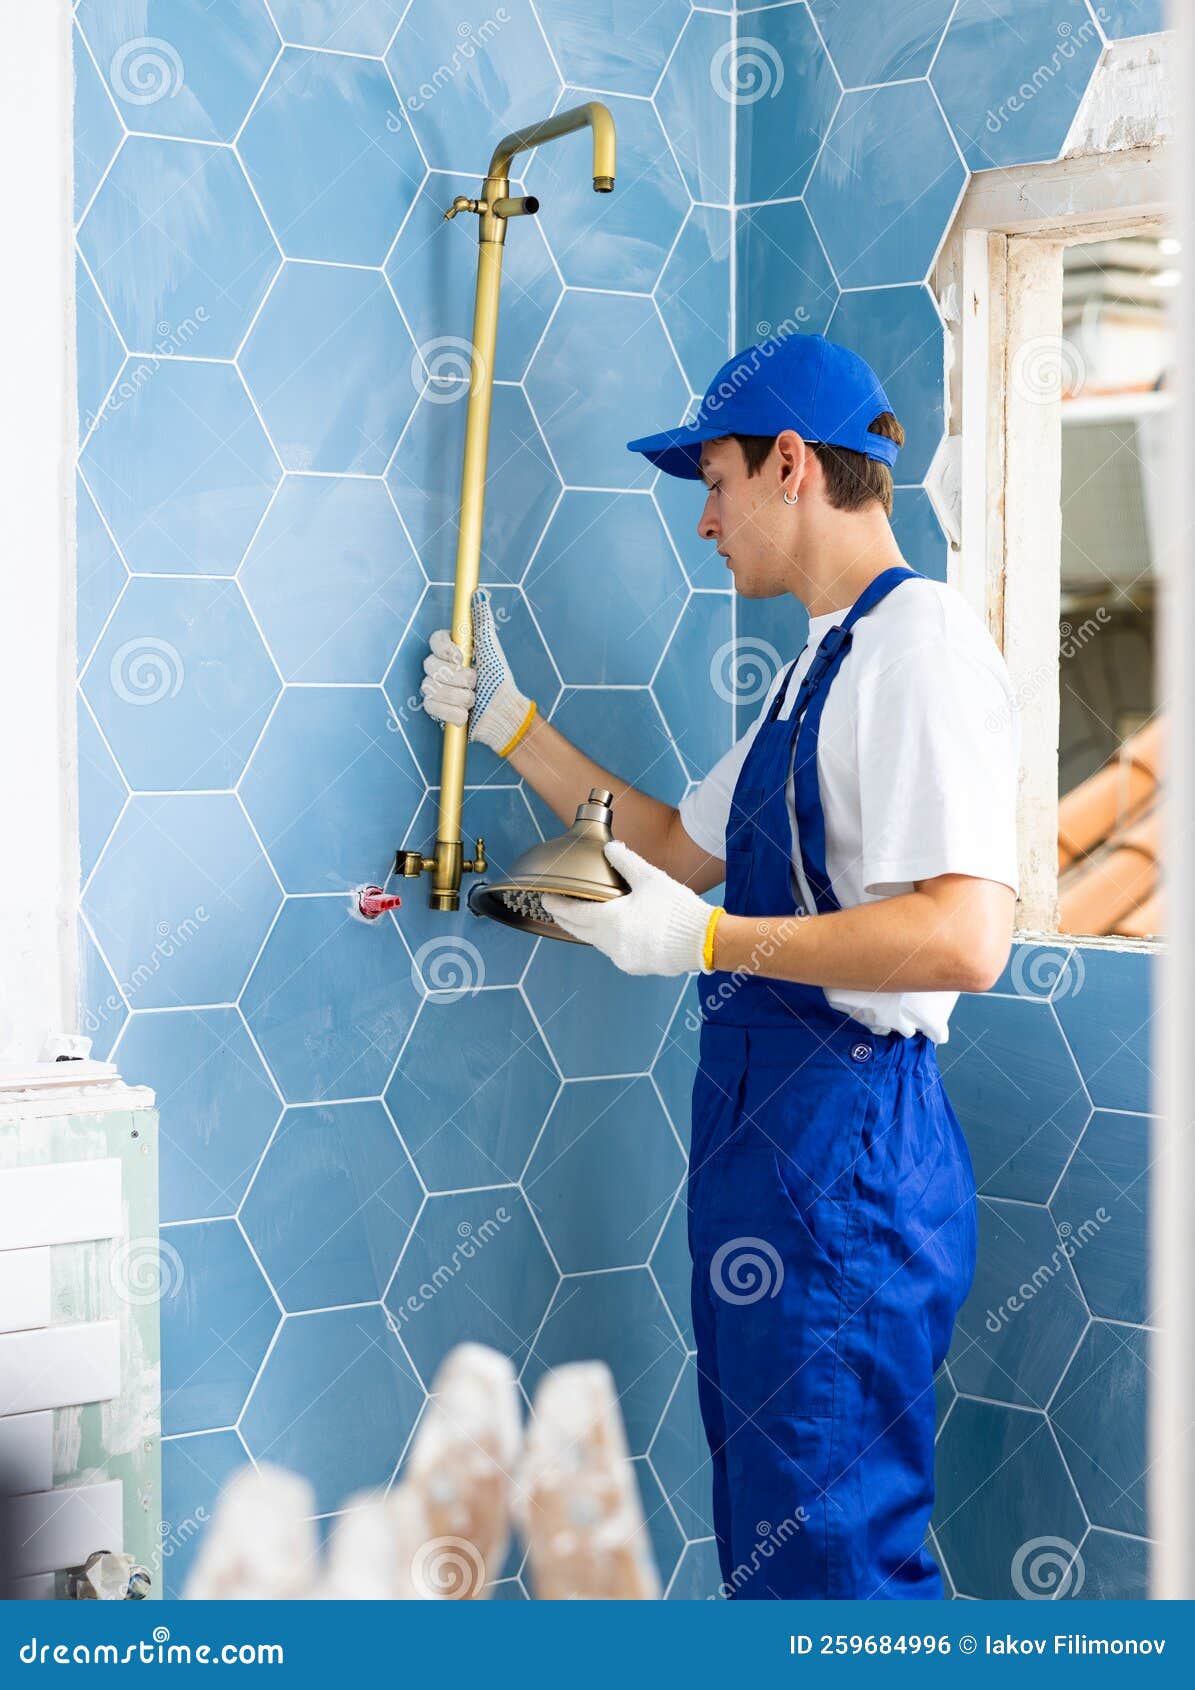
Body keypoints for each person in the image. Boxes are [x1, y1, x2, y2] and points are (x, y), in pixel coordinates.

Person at [420, 332, 1020, 1599]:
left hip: (850, 1154)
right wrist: (509, 723)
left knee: (834, 1565)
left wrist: (706, 944)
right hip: (772, 1152)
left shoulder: (921, 649)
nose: (705, 521)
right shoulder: (822, 664)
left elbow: (967, 932)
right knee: (778, 1538)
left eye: (715, 481)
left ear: (791, 464)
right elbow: (671, 846)